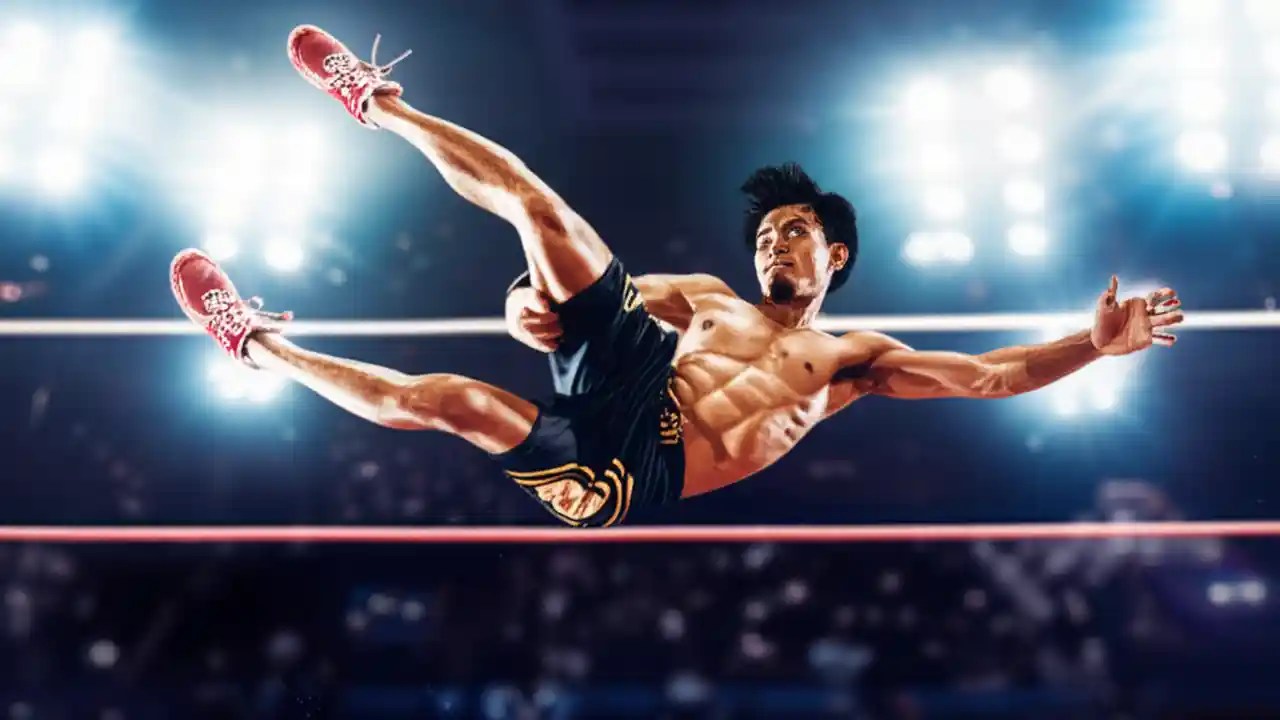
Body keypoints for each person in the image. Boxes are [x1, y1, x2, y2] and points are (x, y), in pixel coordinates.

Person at [170, 25, 1184, 528]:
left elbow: (991, 376)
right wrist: (522, 308)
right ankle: (377, 102)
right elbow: (549, 297)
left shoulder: (853, 358)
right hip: (631, 379)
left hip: (631, 474)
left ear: (833, 254)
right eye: (764, 237)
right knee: (544, 214)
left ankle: (252, 342)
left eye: (793, 233)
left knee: (446, 401)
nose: (771, 248)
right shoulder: (701, 298)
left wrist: (1091, 349)